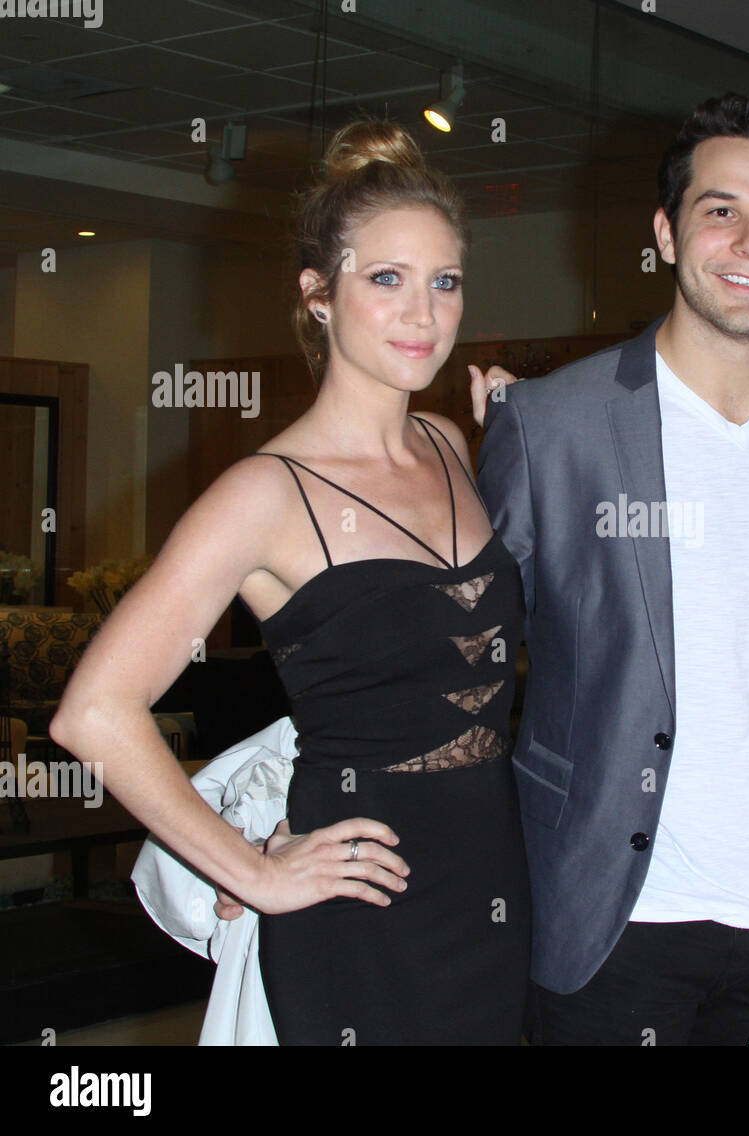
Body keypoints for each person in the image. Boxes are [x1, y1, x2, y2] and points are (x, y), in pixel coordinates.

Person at [51, 119, 531, 1045]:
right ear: (318, 295)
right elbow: (94, 713)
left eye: (445, 282)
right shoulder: (264, 494)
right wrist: (252, 872)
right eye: (385, 279)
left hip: (492, 880)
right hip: (361, 902)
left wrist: (529, 444)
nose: (423, 314)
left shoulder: (452, 447)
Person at [476, 92, 749, 1045]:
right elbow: (463, 667)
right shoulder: (551, 427)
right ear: (665, 231)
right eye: (719, 210)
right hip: (614, 925)